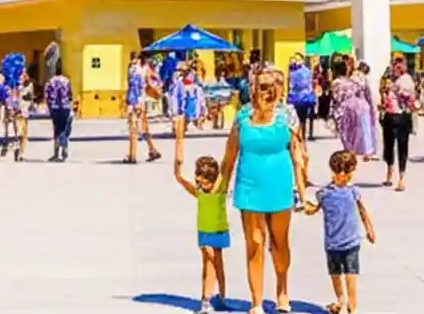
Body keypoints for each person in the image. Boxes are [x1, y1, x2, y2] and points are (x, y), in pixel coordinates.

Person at [219, 67, 305, 314]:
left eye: (272, 86)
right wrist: (219, 191)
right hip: (249, 186)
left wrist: (303, 193)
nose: (268, 91)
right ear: (253, 88)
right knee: (255, 244)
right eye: (262, 86)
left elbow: (298, 154)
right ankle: (256, 301)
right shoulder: (242, 116)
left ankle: (282, 290)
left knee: (279, 243)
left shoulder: (287, 114)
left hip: (279, 185)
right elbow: (229, 156)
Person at [303, 151, 376, 314]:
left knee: (350, 275)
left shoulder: (352, 192)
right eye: (339, 171)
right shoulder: (324, 194)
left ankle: (352, 306)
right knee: (336, 274)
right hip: (332, 243)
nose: (342, 175)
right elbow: (314, 208)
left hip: (350, 242)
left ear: (351, 172)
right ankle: (342, 302)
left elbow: (362, 211)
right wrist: (307, 208)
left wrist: (369, 229)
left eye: (346, 171)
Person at [174, 152, 229, 314]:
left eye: (204, 182)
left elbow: (227, 168)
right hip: (204, 232)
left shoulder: (220, 189)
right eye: (198, 181)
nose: (200, 185)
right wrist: (177, 170)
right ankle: (206, 299)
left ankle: (221, 296)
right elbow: (182, 181)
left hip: (219, 231)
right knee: (208, 263)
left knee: (218, 264)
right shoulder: (199, 192)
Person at [379, 65, 416, 191]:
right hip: (390, 116)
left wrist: (397, 90)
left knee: (402, 147)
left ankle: (401, 178)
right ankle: (389, 173)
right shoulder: (388, 81)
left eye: (396, 69)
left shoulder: (407, 80)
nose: (394, 72)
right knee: (389, 146)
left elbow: (409, 97)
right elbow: (384, 99)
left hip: (402, 116)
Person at [332, 63, 377, 161]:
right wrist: (371, 106)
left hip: (344, 109)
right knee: (362, 130)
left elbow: (336, 98)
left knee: (348, 131)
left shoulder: (340, 81)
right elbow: (367, 93)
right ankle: (366, 151)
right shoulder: (359, 80)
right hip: (360, 106)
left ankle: (350, 150)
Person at [124, 54, 162, 164]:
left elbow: (133, 88)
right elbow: (157, 80)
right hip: (141, 101)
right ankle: (152, 150)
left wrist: (131, 102)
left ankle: (132, 156)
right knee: (143, 128)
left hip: (135, 101)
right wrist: (155, 87)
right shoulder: (145, 69)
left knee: (133, 128)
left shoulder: (133, 69)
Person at [45, 66, 73, 162]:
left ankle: (56, 154)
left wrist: (49, 107)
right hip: (65, 107)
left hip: (54, 108)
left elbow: (47, 96)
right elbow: (70, 95)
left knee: (56, 130)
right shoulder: (66, 81)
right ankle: (64, 149)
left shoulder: (51, 81)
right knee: (64, 129)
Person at [287, 55, 317, 141]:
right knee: (302, 119)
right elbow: (310, 85)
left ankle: (296, 137)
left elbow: (290, 85)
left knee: (294, 119)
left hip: (294, 98)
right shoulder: (307, 71)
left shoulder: (292, 72)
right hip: (305, 98)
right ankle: (302, 137)